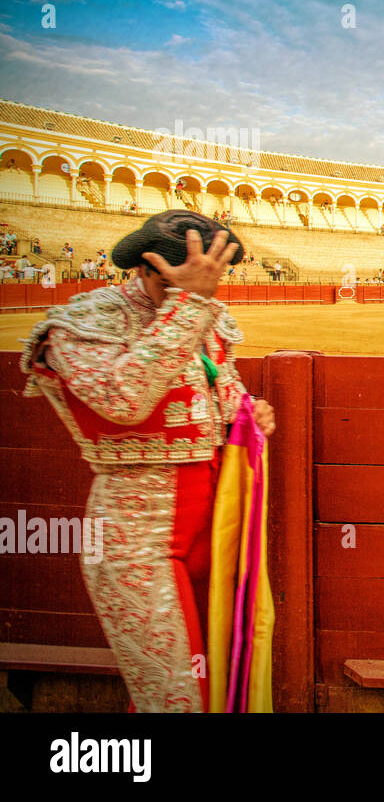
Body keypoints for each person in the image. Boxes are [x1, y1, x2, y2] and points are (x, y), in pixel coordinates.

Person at [20, 211, 276, 712]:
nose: (201, 287)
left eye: (209, 278)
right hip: (134, 535)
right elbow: (123, 401)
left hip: (219, 527)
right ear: (145, 267)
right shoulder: (85, 320)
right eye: (176, 279)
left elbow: (219, 396)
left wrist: (247, 414)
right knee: (174, 697)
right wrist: (191, 303)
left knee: (223, 686)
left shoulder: (208, 318)